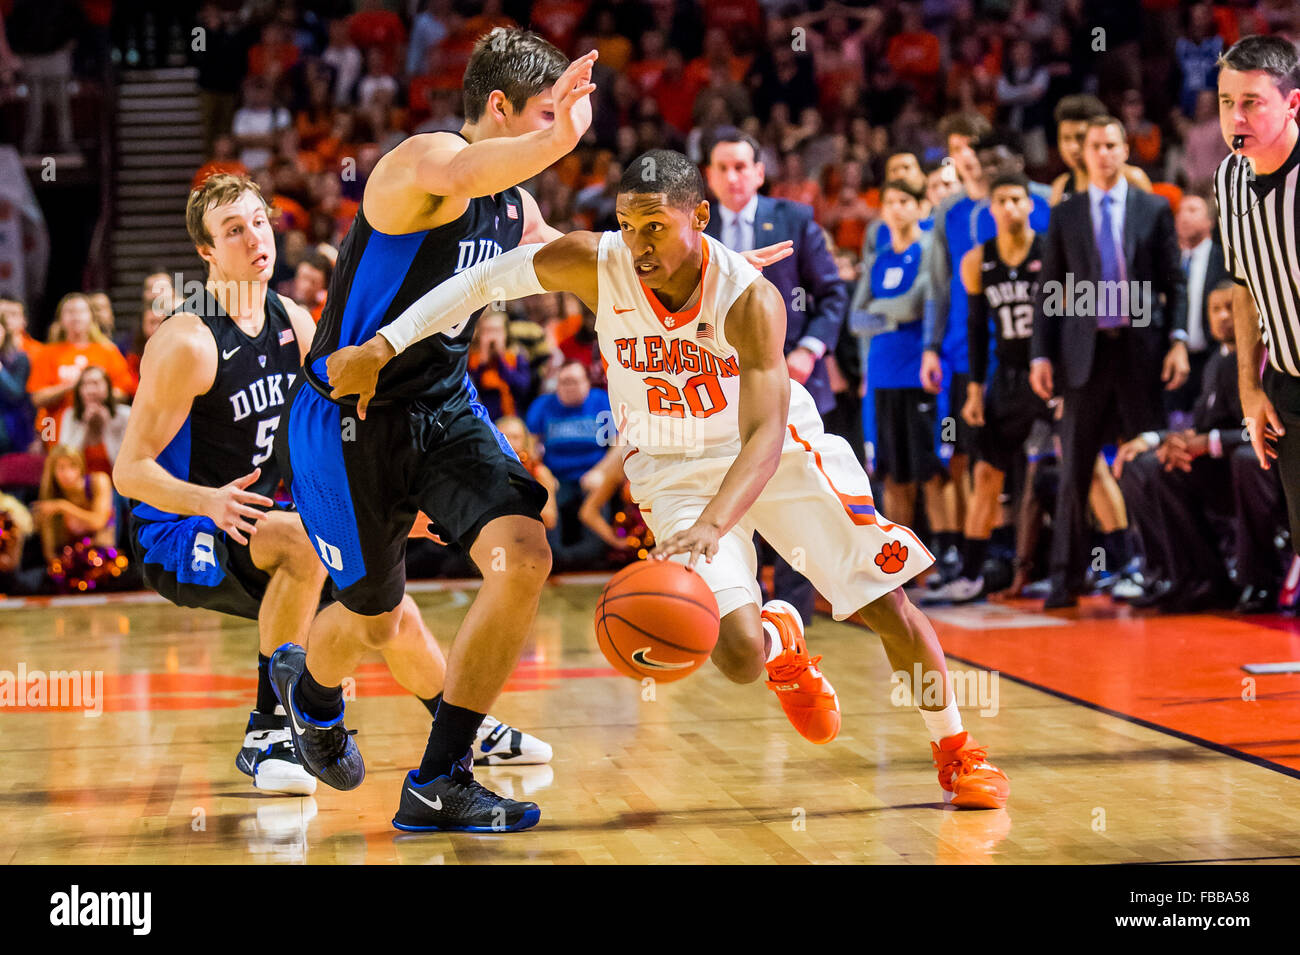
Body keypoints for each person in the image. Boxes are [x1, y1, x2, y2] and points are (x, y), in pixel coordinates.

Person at [330, 148, 1011, 811]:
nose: (638, 243)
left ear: (701, 217)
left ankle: (957, 747)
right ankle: (783, 642)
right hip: (673, 469)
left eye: (655, 225)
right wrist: (383, 345)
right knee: (739, 653)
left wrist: (714, 525)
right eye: (628, 226)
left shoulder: (750, 298)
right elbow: (477, 283)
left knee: (883, 603)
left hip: (774, 452)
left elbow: (766, 436)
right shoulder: (598, 264)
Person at [113, 173, 549, 797]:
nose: (254, 238)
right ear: (206, 253)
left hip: (263, 517)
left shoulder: (291, 317)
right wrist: (209, 500)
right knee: (298, 545)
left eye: (259, 222)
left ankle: (465, 728)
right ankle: (268, 730)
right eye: (232, 231)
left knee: (385, 606)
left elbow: (318, 428)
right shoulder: (187, 340)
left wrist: (402, 501)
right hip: (178, 530)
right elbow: (129, 470)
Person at [271, 31, 596, 833]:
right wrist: (561, 137)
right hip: (348, 417)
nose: (562, 130)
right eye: (547, 114)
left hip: (443, 405)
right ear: (499, 109)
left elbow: (577, 263)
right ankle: (310, 694)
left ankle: (440, 776)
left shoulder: (514, 205)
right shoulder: (424, 161)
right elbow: (464, 173)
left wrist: (706, 276)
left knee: (525, 554)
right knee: (377, 618)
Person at [1029, 115, 1189, 609]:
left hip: (1140, 351)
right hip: (1084, 354)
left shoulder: (1153, 207)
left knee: (1149, 461)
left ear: (1125, 150)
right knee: (1075, 467)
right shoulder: (1066, 212)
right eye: (1094, 145)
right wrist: (1041, 353)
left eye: (1111, 144)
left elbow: (1173, 282)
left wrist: (1180, 339)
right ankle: (1065, 579)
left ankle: (1165, 570)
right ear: (1085, 154)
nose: (1102, 152)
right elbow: (1049, 288)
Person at [703, 126, 843, 626]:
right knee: (739, 505)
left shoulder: (795, 219)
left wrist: (808, 350)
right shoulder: (695, 231)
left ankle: (793, 624)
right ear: (709, 177)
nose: (733, 177)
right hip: (720, 392)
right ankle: (740, 617)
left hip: (796, 381)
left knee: (796, 509)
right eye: (722, 167)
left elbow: (832, 295)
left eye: (742, 166)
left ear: (760, 173)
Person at [1112, 281, 1285, 612]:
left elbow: (1275, 429)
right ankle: (1192, 577)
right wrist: (1158, 440)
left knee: (1249, 460)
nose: (1223, 317)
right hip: (1225, 470)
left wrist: (1211, 443)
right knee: (1149, 464)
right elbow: (1199, 429)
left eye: (1230, 308)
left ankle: (1259, 581)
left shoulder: (1270, 360)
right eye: (1214, 310)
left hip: (1266, 470)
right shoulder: (1214, 363)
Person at [930, 173, 1050, 604]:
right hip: (1008, 375)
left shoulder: (1050, 251)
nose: (1011, 207)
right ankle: (972, 571)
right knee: (985, 472)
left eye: (1018, 198)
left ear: (1030, 204)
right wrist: (976, 389)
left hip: (1050, 374)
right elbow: (977, 330)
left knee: (1080, 468)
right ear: (992, 209)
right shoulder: (976, 260)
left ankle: (1114, 562)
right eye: (1002, 200)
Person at [1212, 35, 1300, 564]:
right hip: (1288, 387)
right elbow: (1243, 286)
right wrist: (1249, 387)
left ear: (1292, 104)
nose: (1236, 118)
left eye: (1252, 103)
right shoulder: (1227, 179)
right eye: (1227, 103)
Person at [27, 293, 136, 447]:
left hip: (104, 434)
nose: (76, 316)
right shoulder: (47, 353)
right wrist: (74, 385)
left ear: (91, 316)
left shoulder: (108, 351)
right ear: (61, 319)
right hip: (60, 436)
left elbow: (123, 392)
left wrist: (97, 394)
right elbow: (37, 397)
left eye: (81, 311)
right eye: (70, 312)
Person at [1048, 94, 1154, 207]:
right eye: (1066, 138)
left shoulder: (1132, 179)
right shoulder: (1060, 186)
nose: (1073, 147)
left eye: (1080, 138)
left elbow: (1150, 220)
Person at [34, 445, 115, 564]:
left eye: (73, 466)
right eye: (61, 468)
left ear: (81, 466)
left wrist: (63, 506)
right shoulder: (52, 496)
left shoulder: (98, 481)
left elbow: (98, 522)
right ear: (52, 471)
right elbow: (50, 551)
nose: (67, 474)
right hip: (70, 563)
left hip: (105, 558)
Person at [58, 365, 131, 476]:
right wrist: (84, 426)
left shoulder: (125, 415)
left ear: (108, 387)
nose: (90, 391)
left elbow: (126, 467)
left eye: (96, 384)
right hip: (79, 486)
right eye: (85, 385)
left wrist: (108, 426)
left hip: (118, 488)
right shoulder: (70, 416)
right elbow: (66, 462)